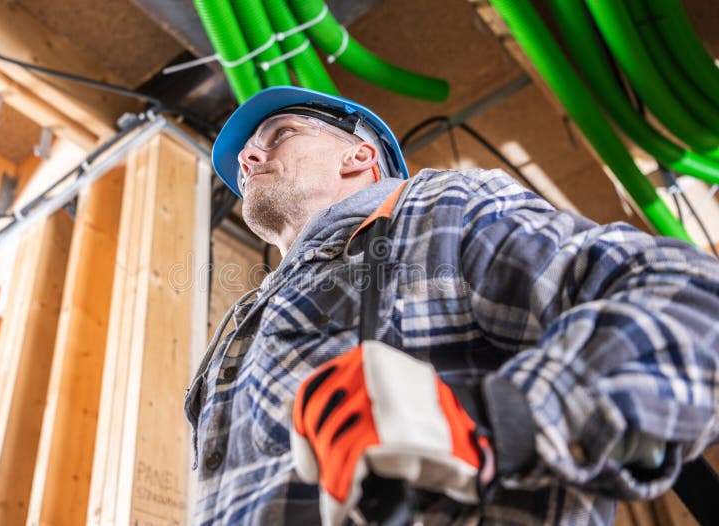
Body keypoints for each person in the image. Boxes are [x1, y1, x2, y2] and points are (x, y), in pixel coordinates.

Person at [186, 86, 719, 525]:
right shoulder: (239, 326)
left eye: (279, 135)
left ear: (360, 156)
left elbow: (691, 297)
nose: (249, 156)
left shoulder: (437, 211)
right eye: (245, 154)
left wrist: (499, 418)